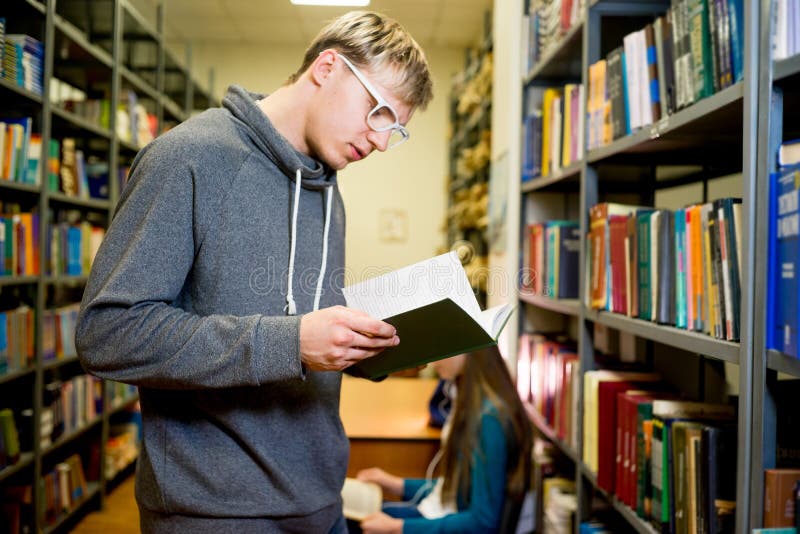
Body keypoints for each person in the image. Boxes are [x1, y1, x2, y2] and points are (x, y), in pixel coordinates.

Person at [75, 11, 433, 533]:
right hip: (213, 515)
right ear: (327, 68)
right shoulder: (187, 159)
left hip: (319, 503)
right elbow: (107, 333)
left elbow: (300, 332)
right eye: (377, 111)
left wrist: (360, 348)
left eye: (394, 129)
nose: (380, 140)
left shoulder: (328, 189)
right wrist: (291, 344)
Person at [356, 347, 533, 534]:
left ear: (466, 347)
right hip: (444, 516)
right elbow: (455, 489)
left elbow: (483, 522)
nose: (433, 362)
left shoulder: (489, 420)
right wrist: (395, 484)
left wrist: (398, 528)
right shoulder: (471, 403)